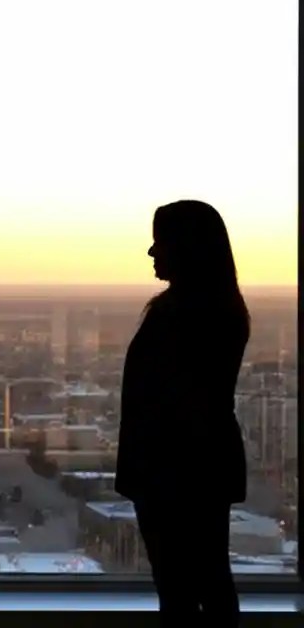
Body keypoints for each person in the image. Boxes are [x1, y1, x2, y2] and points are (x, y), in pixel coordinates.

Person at [115, 200, 249, 626]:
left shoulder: (187, 316)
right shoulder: (207, 311)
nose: (152, 253)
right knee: (202, 583)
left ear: (187, 248)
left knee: (182, 589)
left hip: (177, 475)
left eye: (160, 242)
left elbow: (174, 402)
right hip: (189, 471)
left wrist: (153, 472)